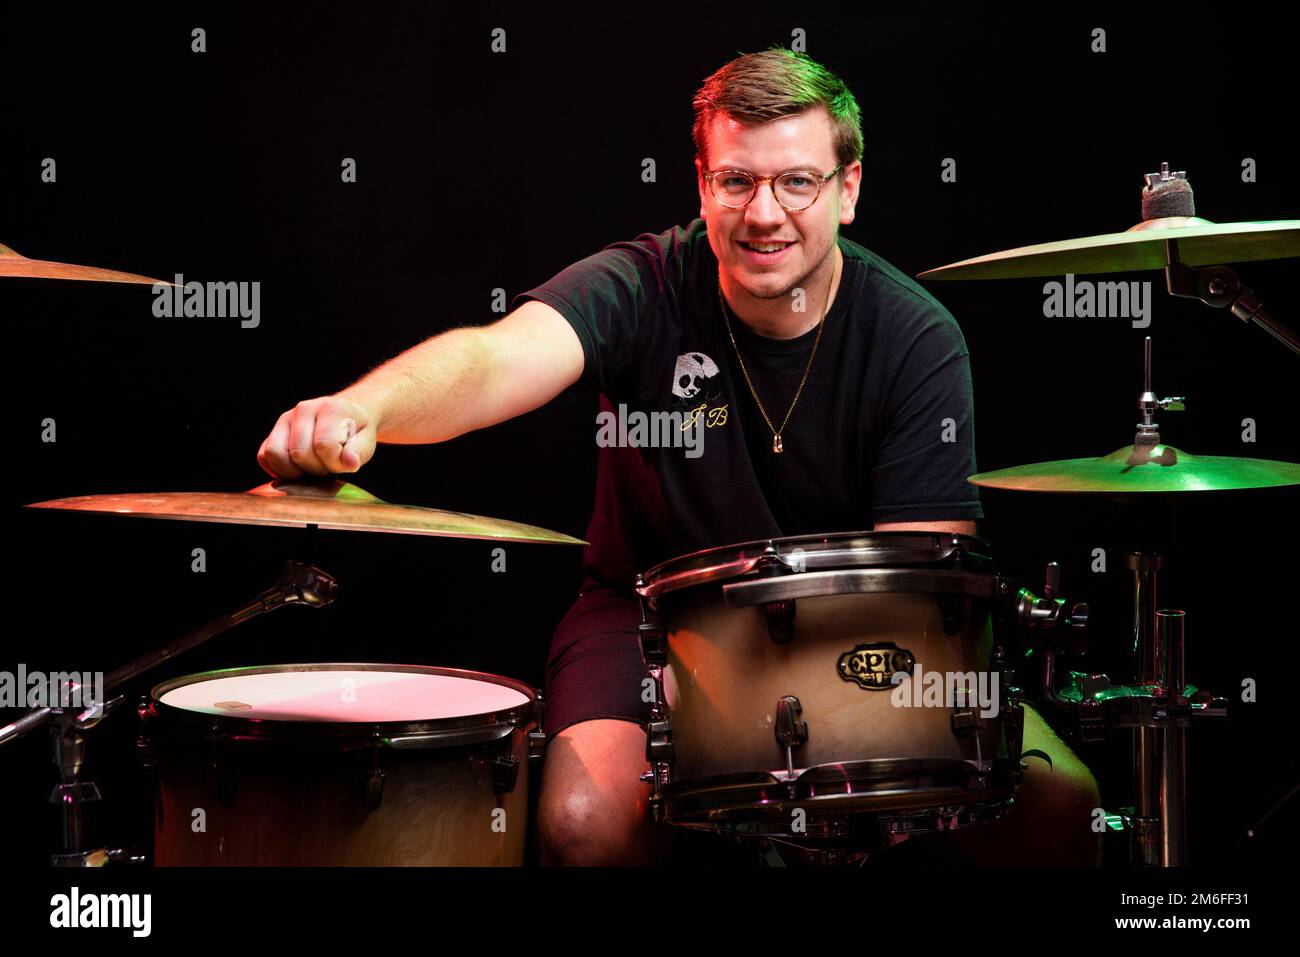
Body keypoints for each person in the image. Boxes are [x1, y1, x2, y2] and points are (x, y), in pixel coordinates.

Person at [256, 48, 1101, 866]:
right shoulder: (643, 283)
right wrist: (364, 409)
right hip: (646, 621)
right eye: (736, 180)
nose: (764, 212)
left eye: (797, 181)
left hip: (861, 632)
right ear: (703, 184)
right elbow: (496, 357)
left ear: (848, 189)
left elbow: (924, 599)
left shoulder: (915, 337)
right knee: (588, 822)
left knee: (1061, 806)